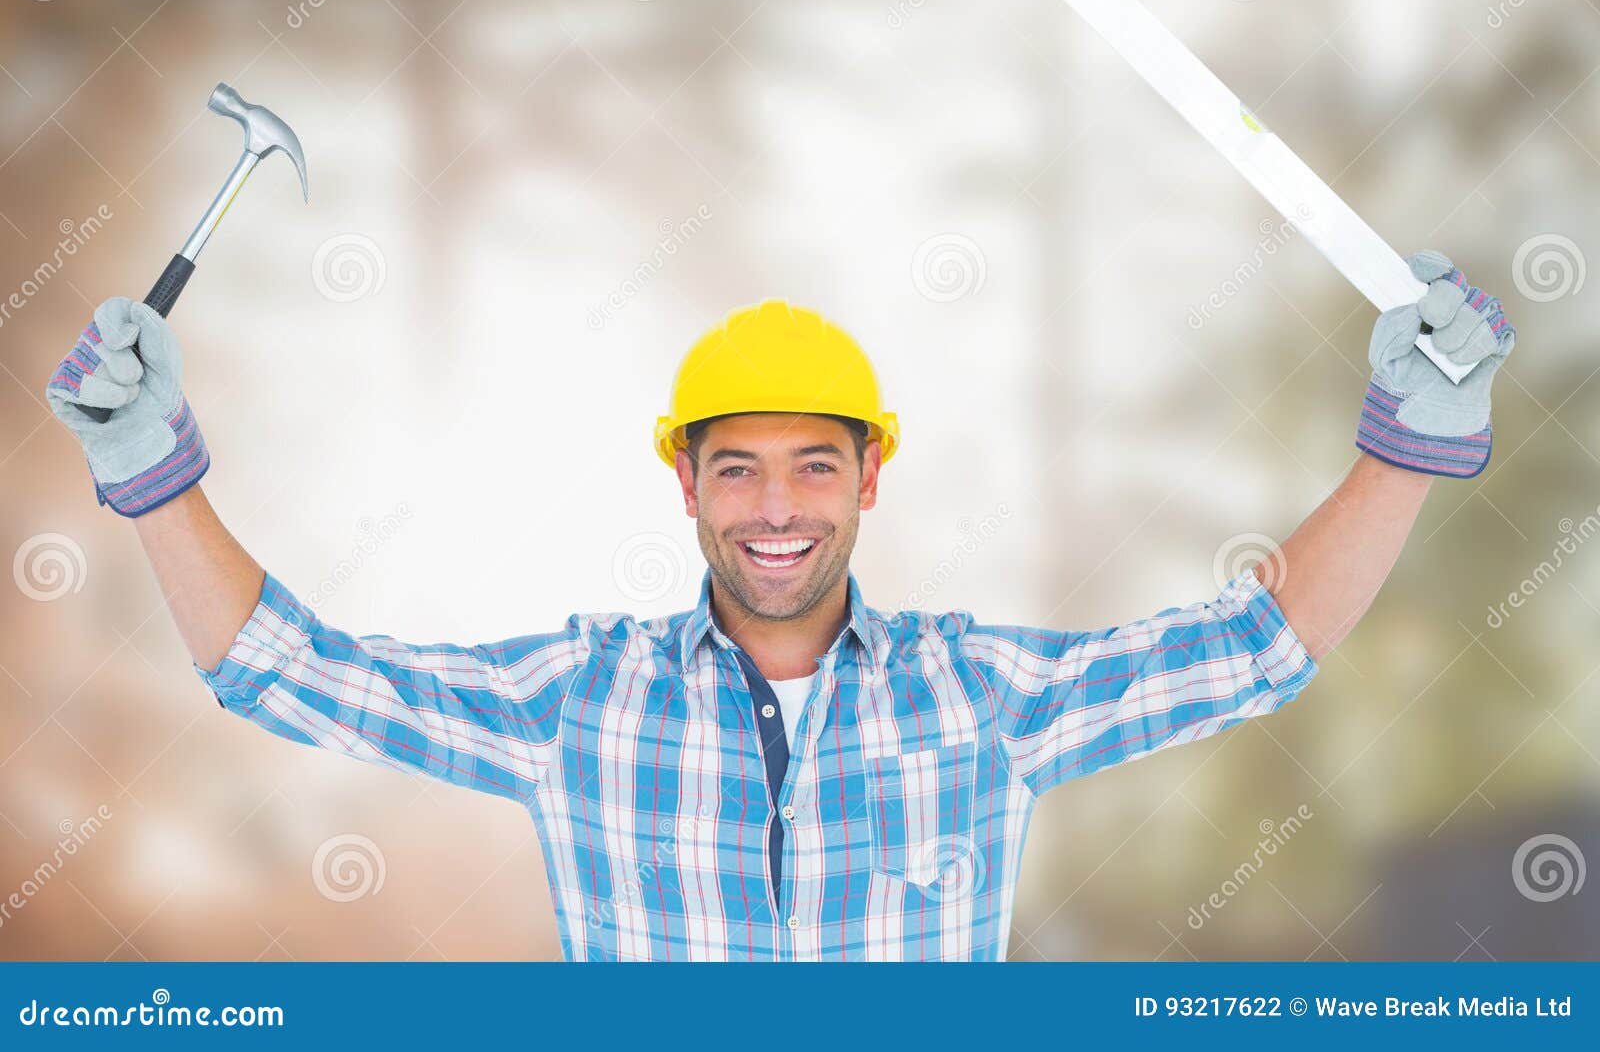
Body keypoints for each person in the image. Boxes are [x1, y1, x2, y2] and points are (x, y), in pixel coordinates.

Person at [45, 254, 1515, 961]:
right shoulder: (582, 699)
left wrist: (1407, 447)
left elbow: (1255, 652)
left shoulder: (978, 696)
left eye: (815, 464)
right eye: (735, 467)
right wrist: (149, 472)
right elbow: (286, 671)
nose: (774, 508)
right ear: (681, 479)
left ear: (873, 473)